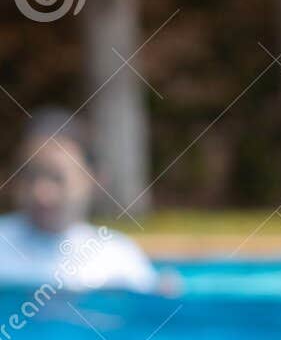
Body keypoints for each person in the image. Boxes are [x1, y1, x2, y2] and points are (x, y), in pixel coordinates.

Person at [0, 110, 163, 293]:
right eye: (30, 176)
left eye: (57, 178)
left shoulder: (119, 260)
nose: (42, 193)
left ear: (93, 180)